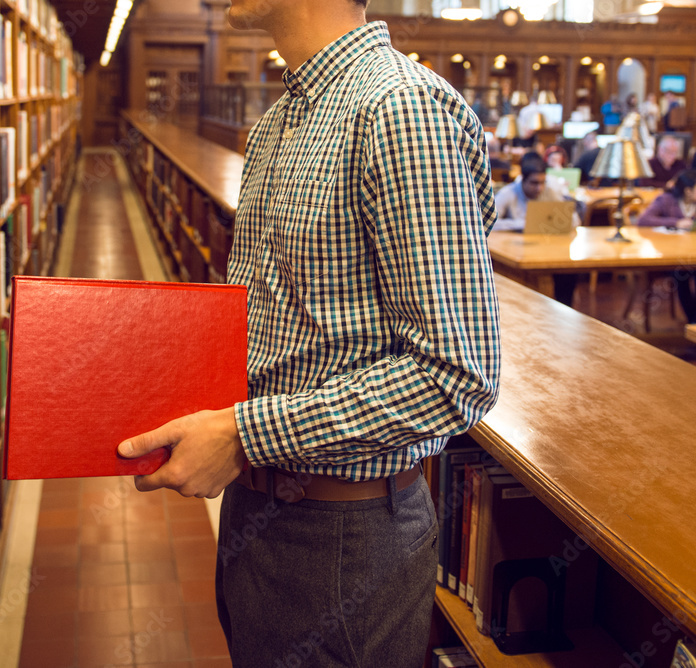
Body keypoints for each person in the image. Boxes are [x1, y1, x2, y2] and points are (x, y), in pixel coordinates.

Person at [116, 0, 502, 665]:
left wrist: (244, 433)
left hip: (344, 534)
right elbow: (280, 318)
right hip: (257, 509)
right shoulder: (277, 124)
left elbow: (455, 375)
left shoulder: (400, 111)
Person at [493, 152, 581, 305]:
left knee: (568, 271)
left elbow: (573, 219)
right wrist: (521, 224)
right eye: (534, 183)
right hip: (516, 251)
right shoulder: (509, 193)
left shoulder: (550, 191)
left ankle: (564, 310)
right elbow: (489, 222)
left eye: (542, 182)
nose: (539, 188)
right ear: (523, 180)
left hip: (546, 249)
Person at [637, 169, 696, 323]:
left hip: (692, 255)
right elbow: (643, 220)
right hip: (669, 257)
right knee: (681, 275)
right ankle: (692, 320)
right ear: (688, 191)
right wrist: (675, 222)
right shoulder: (666, 200)